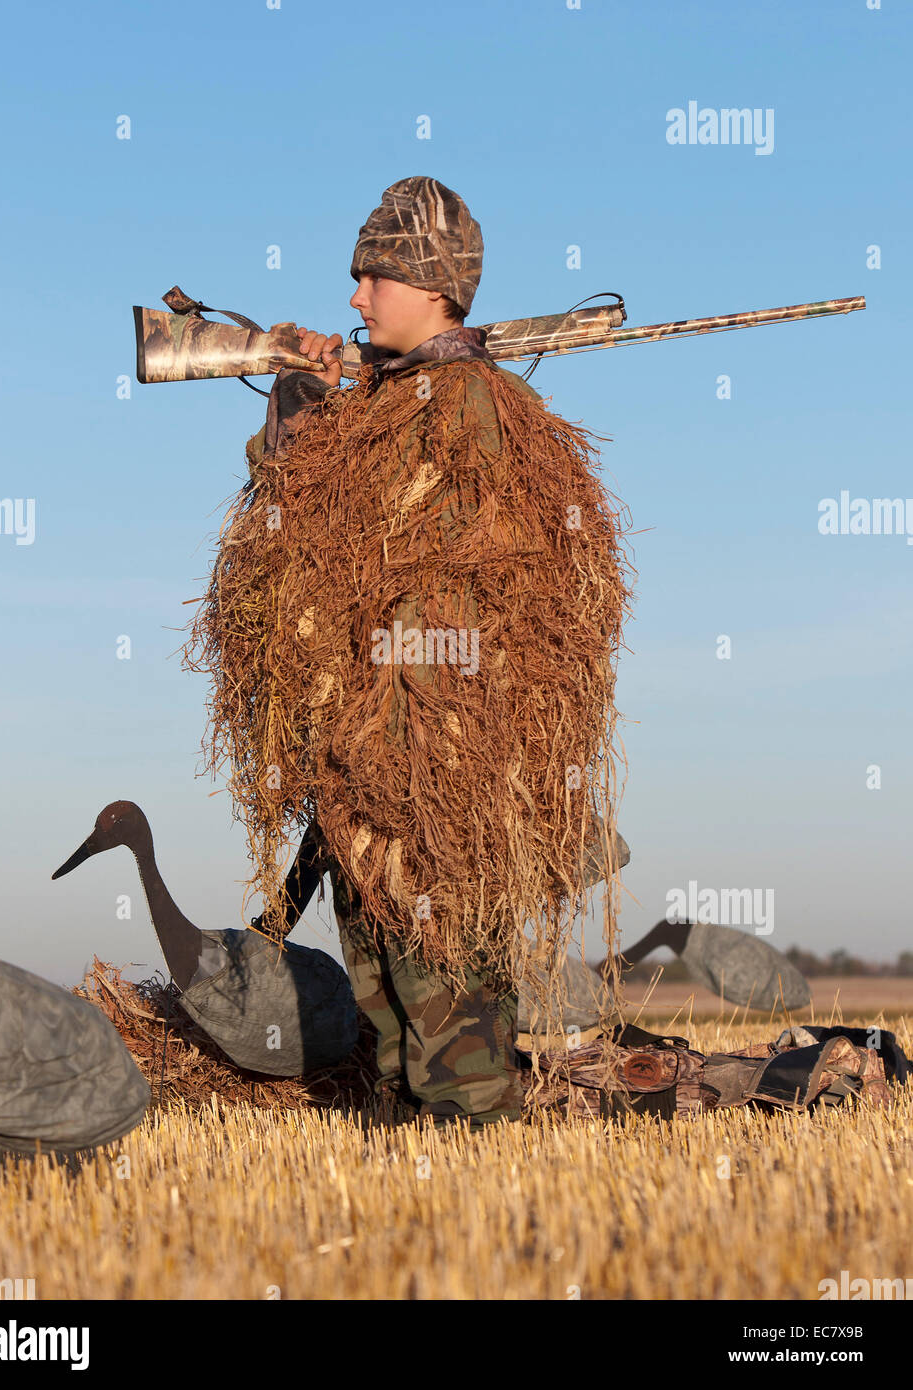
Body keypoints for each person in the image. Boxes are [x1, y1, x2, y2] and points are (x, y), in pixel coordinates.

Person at [186, 176, 630, 1128]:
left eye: (372, 279)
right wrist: (300, 400)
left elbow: (458, 576)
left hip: (436, 755)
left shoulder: (471, 406)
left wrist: (417, 733)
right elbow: (304, 518)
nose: (354, 298)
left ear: (431, 287)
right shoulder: (392, 401)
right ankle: (409, 1152)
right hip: (367, 747)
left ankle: (473, 1155)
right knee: (383, 980)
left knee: (444, 986)